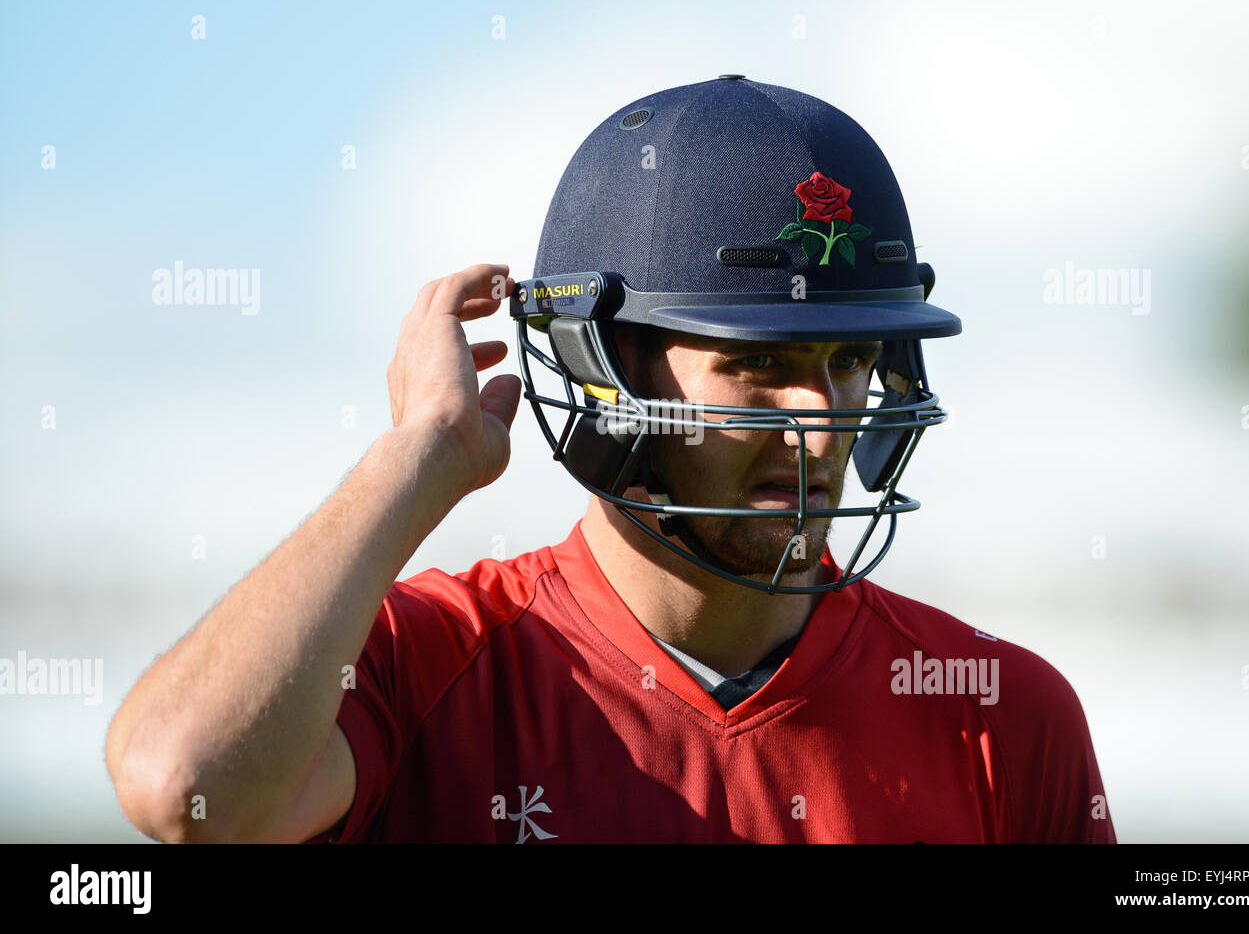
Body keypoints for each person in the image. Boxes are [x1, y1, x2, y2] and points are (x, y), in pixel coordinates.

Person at [106, 77, 1116, 843]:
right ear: (605, 371)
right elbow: (183, 783)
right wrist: (415, 457)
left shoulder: (998, 712)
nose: (820, 418)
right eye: (755, 365)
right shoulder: (426, 665)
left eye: (849, 359)